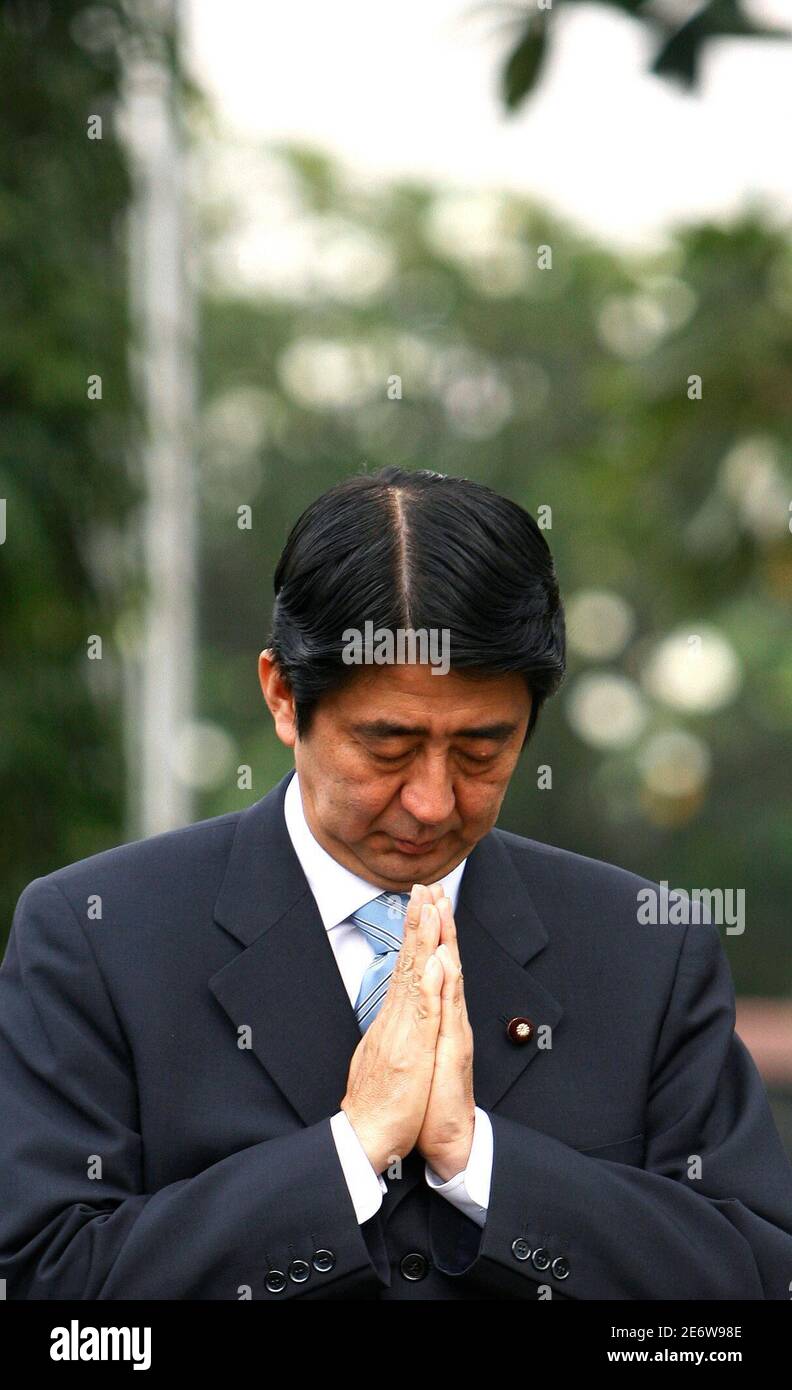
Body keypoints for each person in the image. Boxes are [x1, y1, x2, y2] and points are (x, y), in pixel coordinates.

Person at [1, 465, 791, 1300]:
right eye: (388, 748)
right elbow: (52, 1292)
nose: (432, 800)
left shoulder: (644, 946)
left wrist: (480, 1160)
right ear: (282, 694)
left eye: (484, 751)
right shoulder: (96, 936)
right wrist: (349, 1151)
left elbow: (745, 1288)